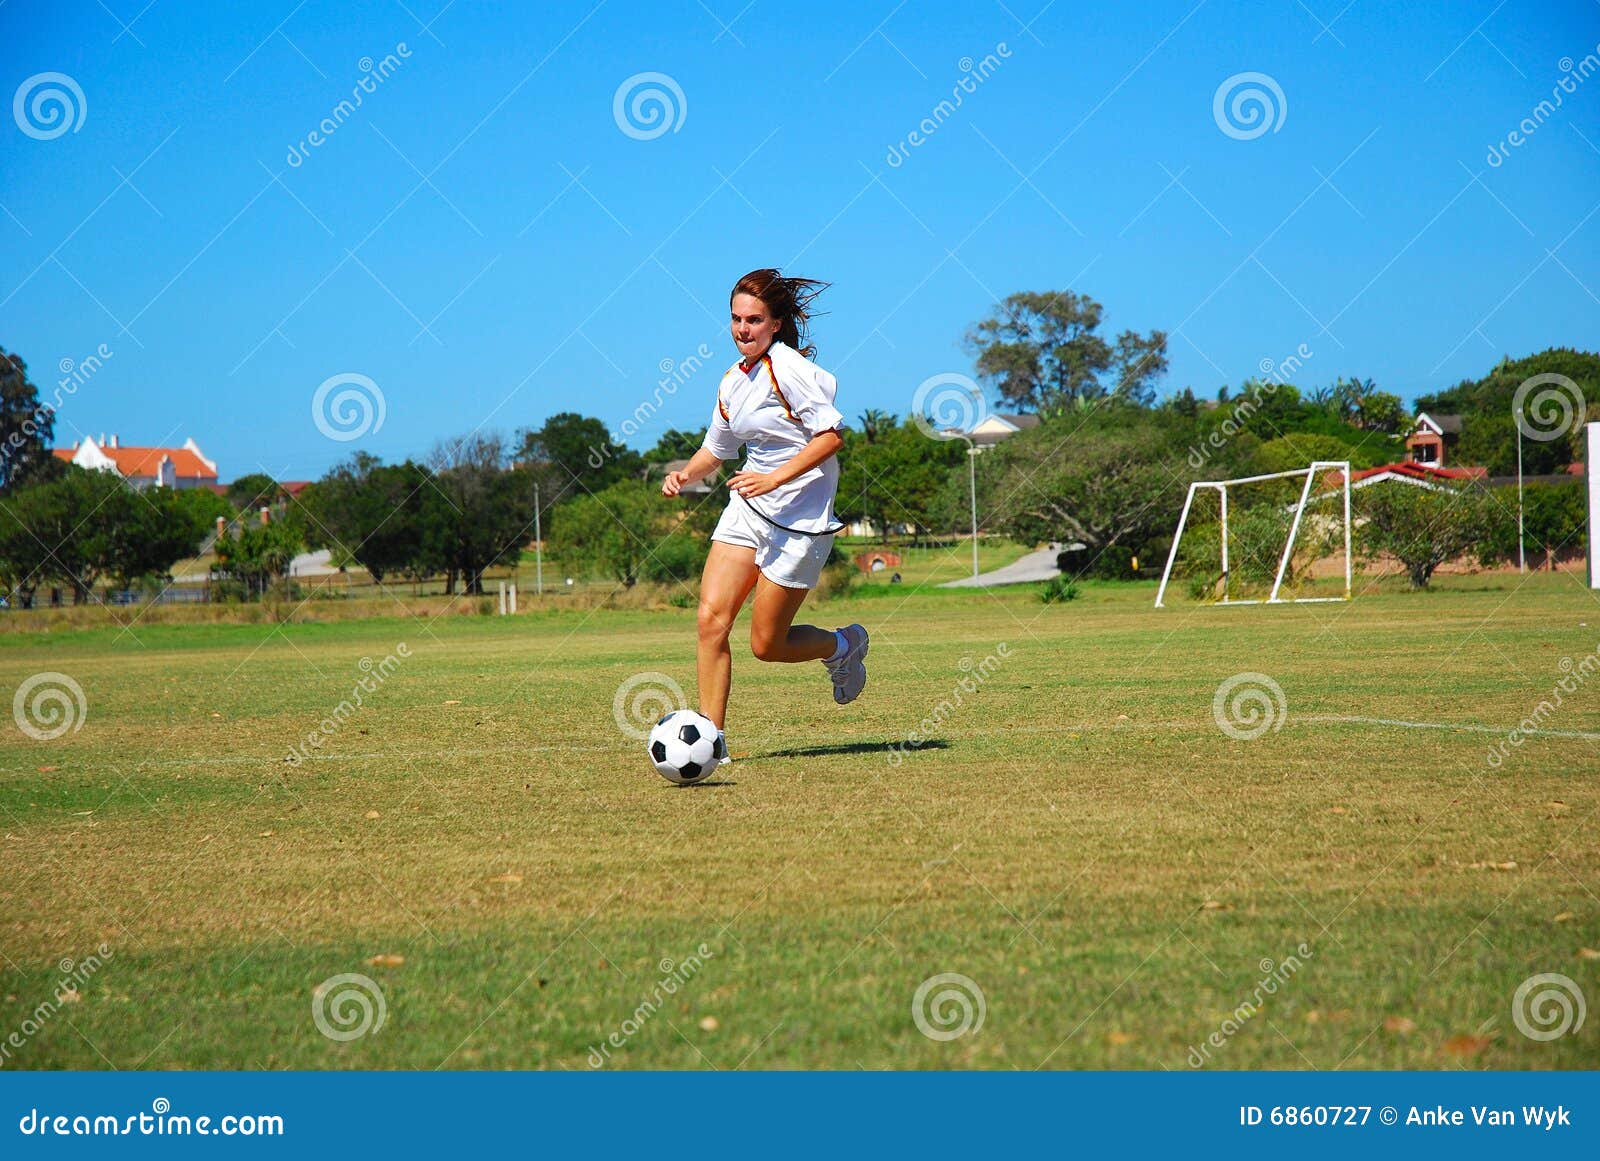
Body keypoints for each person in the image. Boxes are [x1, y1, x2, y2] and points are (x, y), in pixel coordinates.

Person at [660, 268, 869, 765]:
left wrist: (775, 479)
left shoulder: (787, 367)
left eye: (754, 320)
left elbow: (832, 436)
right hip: (748, 510)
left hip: (800, 523)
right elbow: (718, 449)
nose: (742, 329)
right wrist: (685, 475)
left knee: (766, 644)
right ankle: (712, 740)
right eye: (735, 319)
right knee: (711, 620)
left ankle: (843, 645)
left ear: (776, 324)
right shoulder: (733, 379)